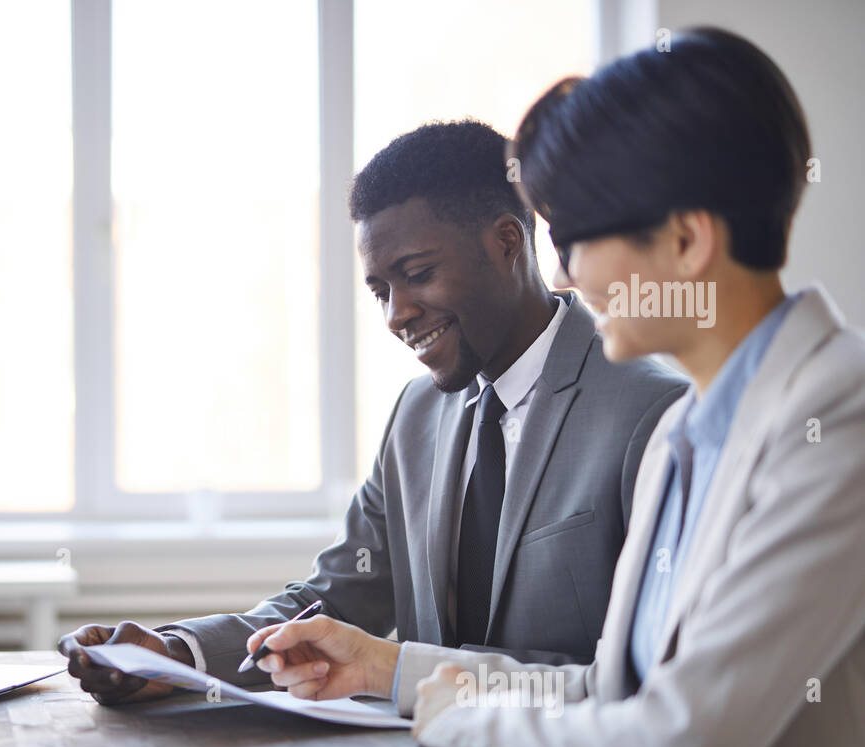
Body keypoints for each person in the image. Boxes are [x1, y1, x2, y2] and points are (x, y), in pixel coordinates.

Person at [265, 27, 865, 747]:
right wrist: (399, 675)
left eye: (576, 236)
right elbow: (604, 692)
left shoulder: (840, 414)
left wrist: (463, 724)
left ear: (685, 243)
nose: (565, 275)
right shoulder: (688, 435)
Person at [59, 120, 684, 706]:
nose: (396, 314)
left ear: (506, 242)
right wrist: (175, 657)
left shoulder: (651, 411)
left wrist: (396, 669)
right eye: (381, 290)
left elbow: (641, 686)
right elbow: (337, 598)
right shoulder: (417, 414)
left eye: (417, 275)